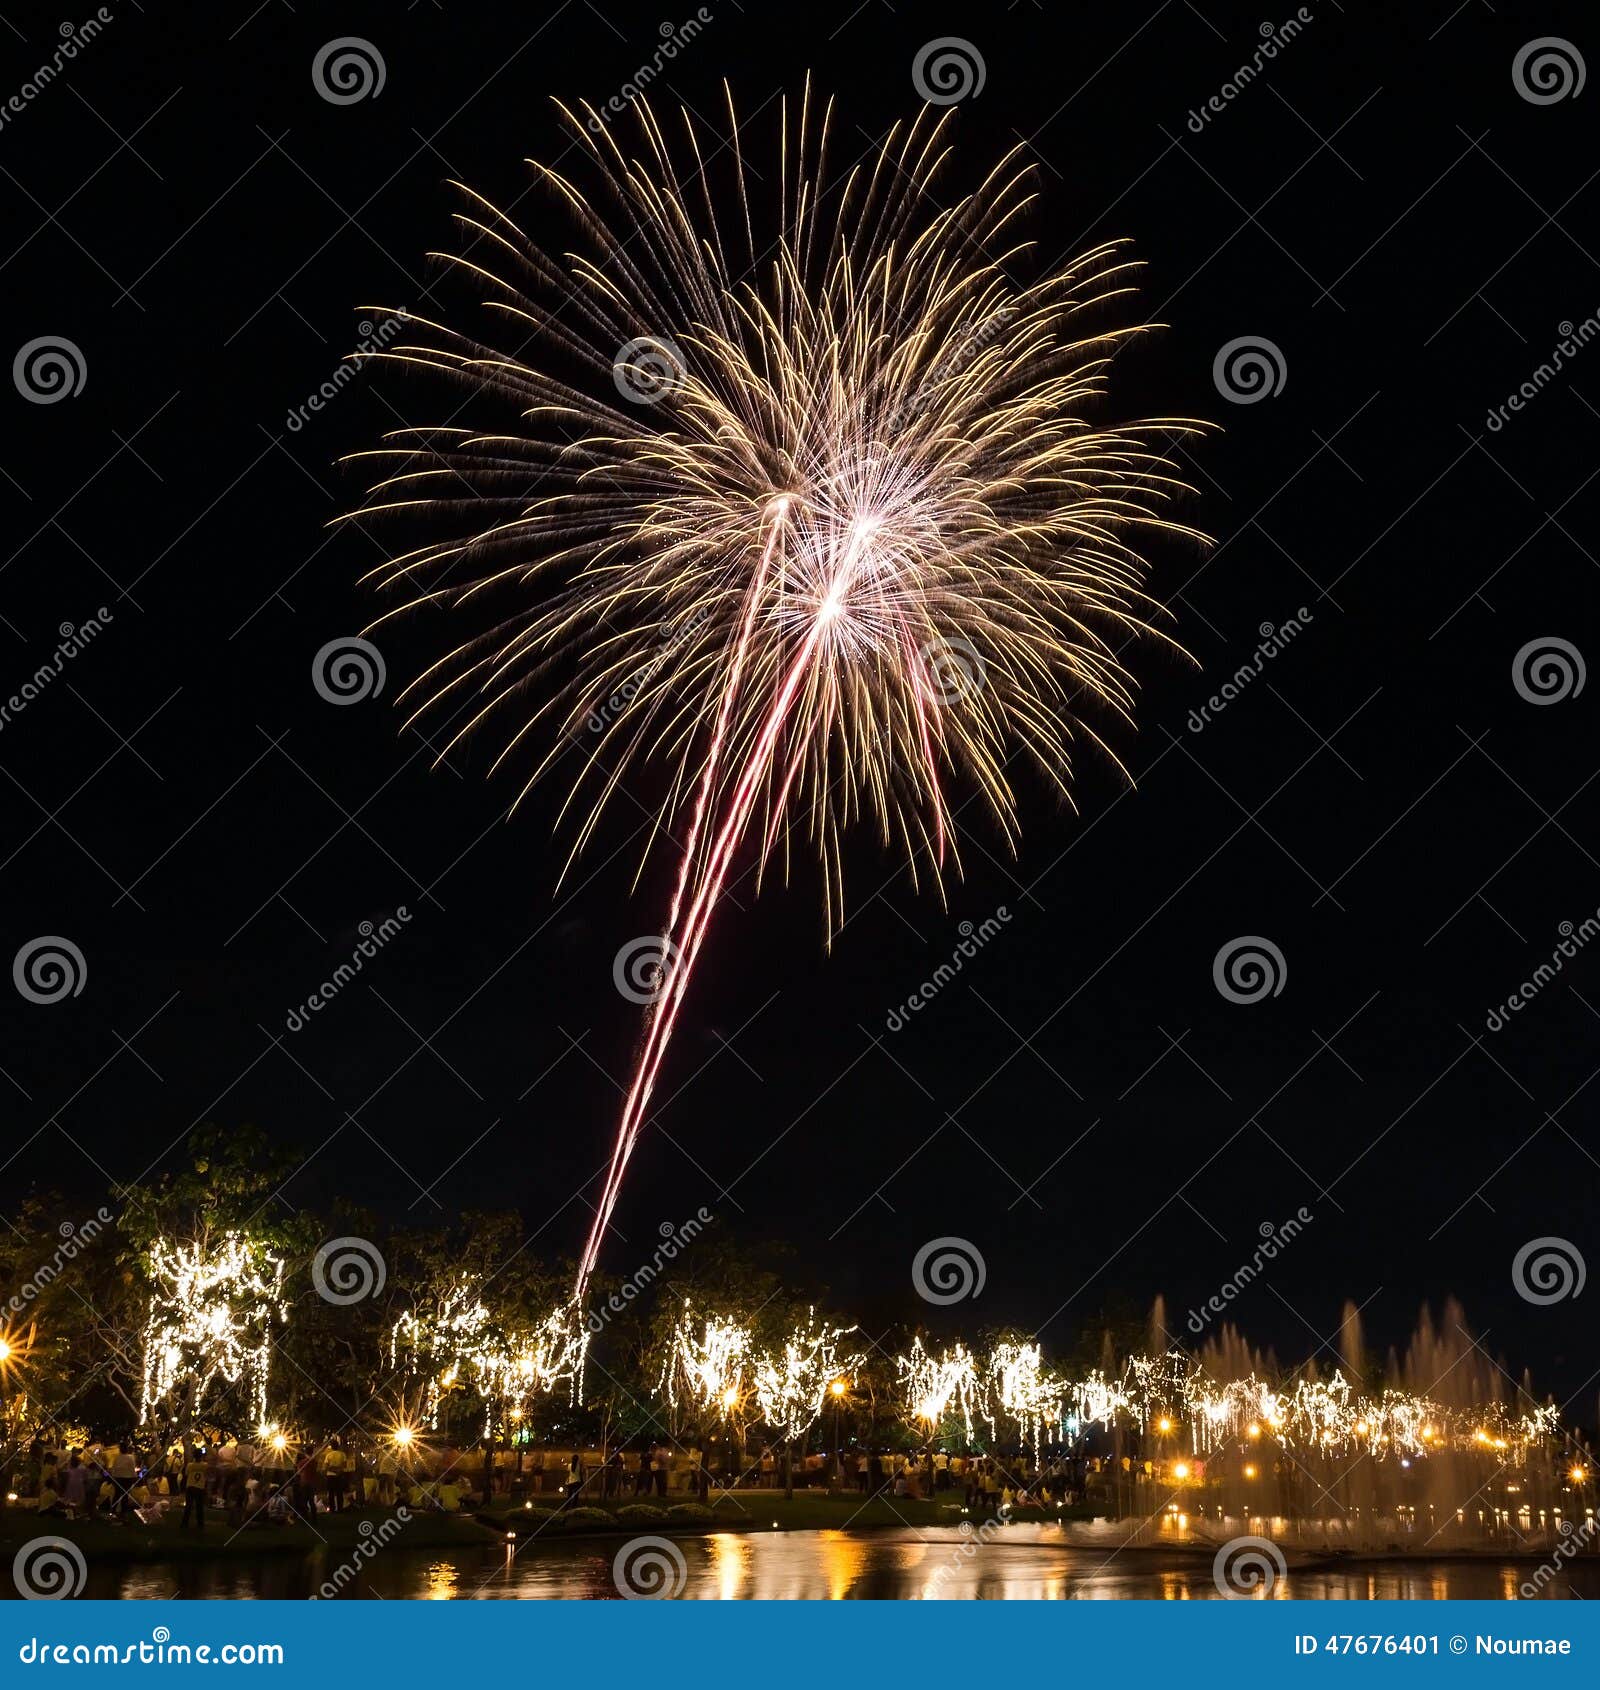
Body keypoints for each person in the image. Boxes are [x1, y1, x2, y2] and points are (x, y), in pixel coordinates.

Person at [181, 1445, 207, 1531]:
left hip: (190, 1486)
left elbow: (186, 1474)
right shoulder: (205, 1465)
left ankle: (185, 1523)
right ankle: (200, 1524)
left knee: (188, 1506)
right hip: (200, 1487)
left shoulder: (190, 1465)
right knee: (199, 1507)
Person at [321, 1437, 348, 1513]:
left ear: (332, 1447)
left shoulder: (329, 1455)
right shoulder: (342, 1454)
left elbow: (326, 1467)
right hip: (339, 1475)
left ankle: (332, 1508)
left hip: (330, 1476)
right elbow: (344, 1465)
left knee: (331, 1493)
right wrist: (338, 1470)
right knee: (339, 1493)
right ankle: (340, 1508)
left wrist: (332, 1469)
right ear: (338, 1446)